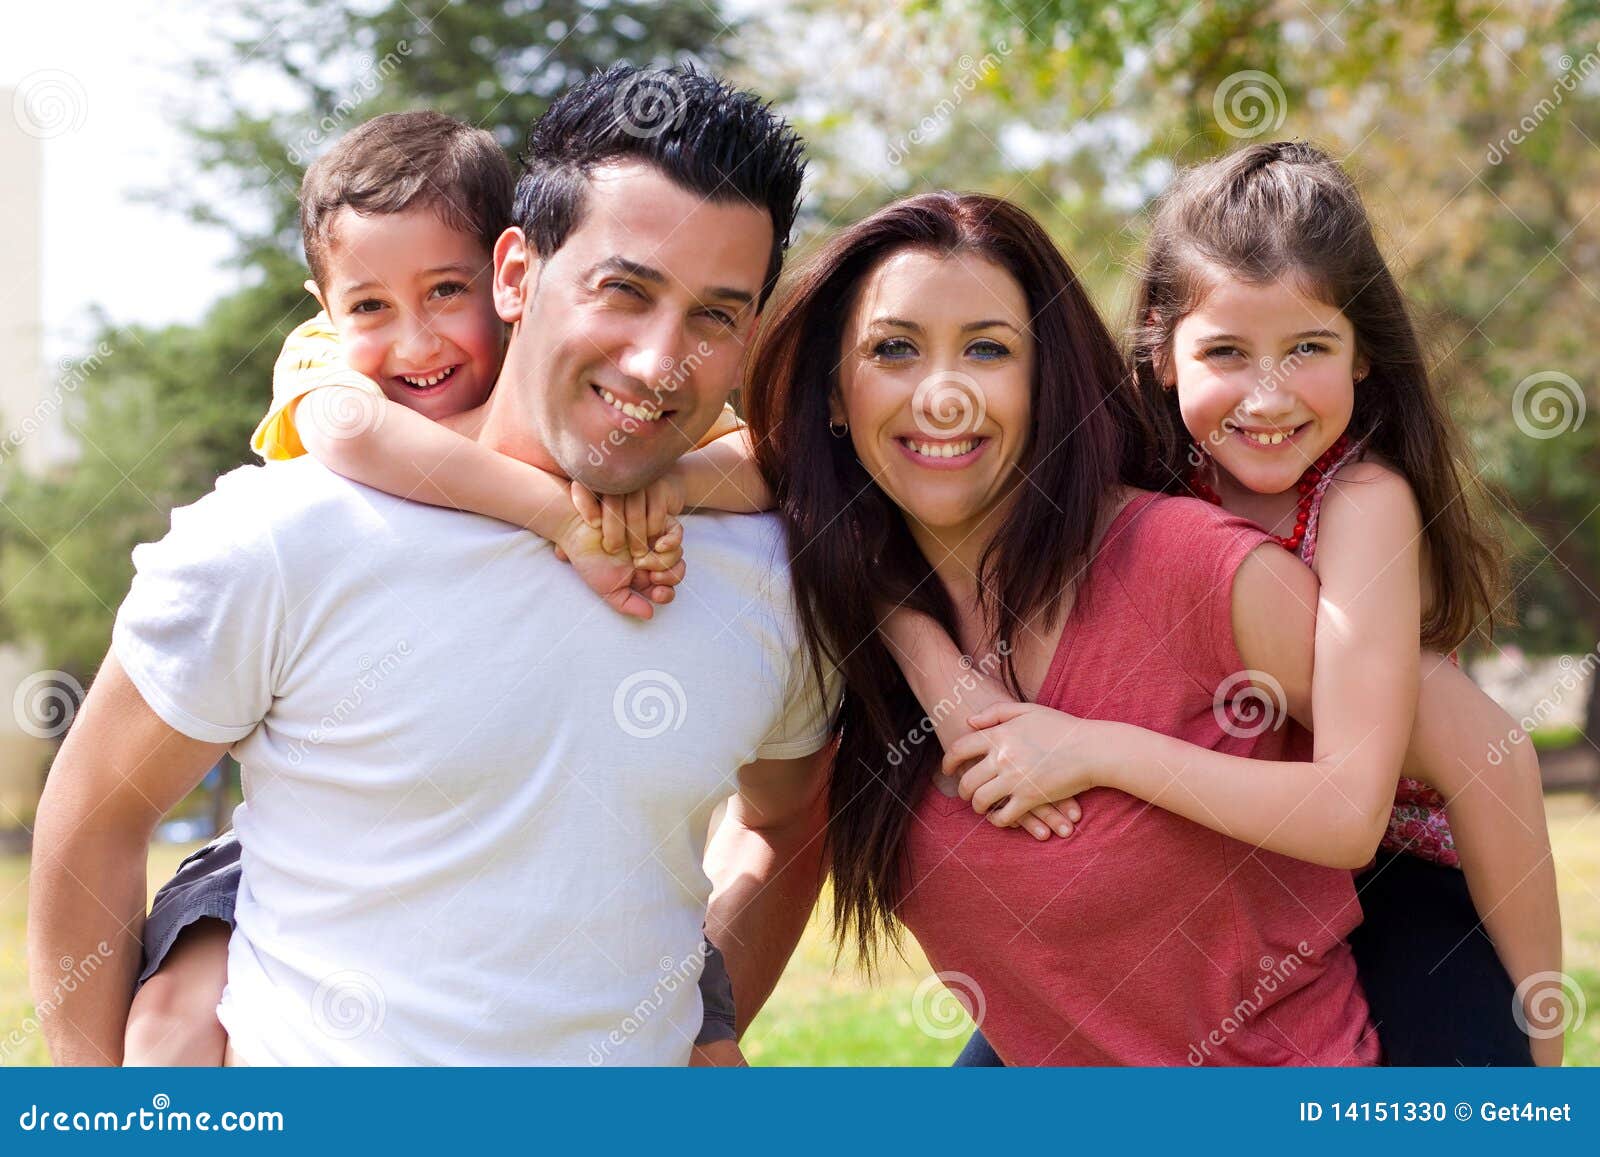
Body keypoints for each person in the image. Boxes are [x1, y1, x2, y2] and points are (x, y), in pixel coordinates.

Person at [29, 64, 831, 1066]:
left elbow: (788, 815)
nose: (658, 359)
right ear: (515, 274)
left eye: (714, 314)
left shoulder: (769, 568)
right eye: (623, 289)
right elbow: (97, 813)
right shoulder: (284, 532)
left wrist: (696, 1025)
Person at [915, 144, 1560, 1066]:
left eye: (1308, 347)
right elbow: (834, 491)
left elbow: (1376, 803)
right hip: (1222, 868)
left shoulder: (1360, 504)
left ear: (1364, 350)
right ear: (1162, 350)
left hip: (1393, 868)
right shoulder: (1129, 477)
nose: (1267, 395)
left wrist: (1542, 1028)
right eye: (1225, 350)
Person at [744, 191, 1379, 1064]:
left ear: (1047, 381)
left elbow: (1430, 755)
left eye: (988, 349)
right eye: (894, 349)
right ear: (834, 398)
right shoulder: (829, 604)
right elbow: (704, 467)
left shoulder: (1193, 568)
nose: (942, 395)